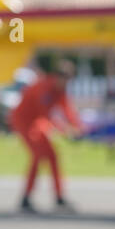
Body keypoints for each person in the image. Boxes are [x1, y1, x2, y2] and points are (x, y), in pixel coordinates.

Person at [9, 59, 82, 213]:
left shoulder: (60, 90)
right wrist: (66, 130)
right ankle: (30, 197)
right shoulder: (44, 87)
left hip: (35, 122)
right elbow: (46, 115)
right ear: (57, 77)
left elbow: (67, 109)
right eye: (64, 79)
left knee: (50, 157)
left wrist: (78, 127)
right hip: (23, 121)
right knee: (39, 156)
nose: (66, 84)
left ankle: (54, 196)